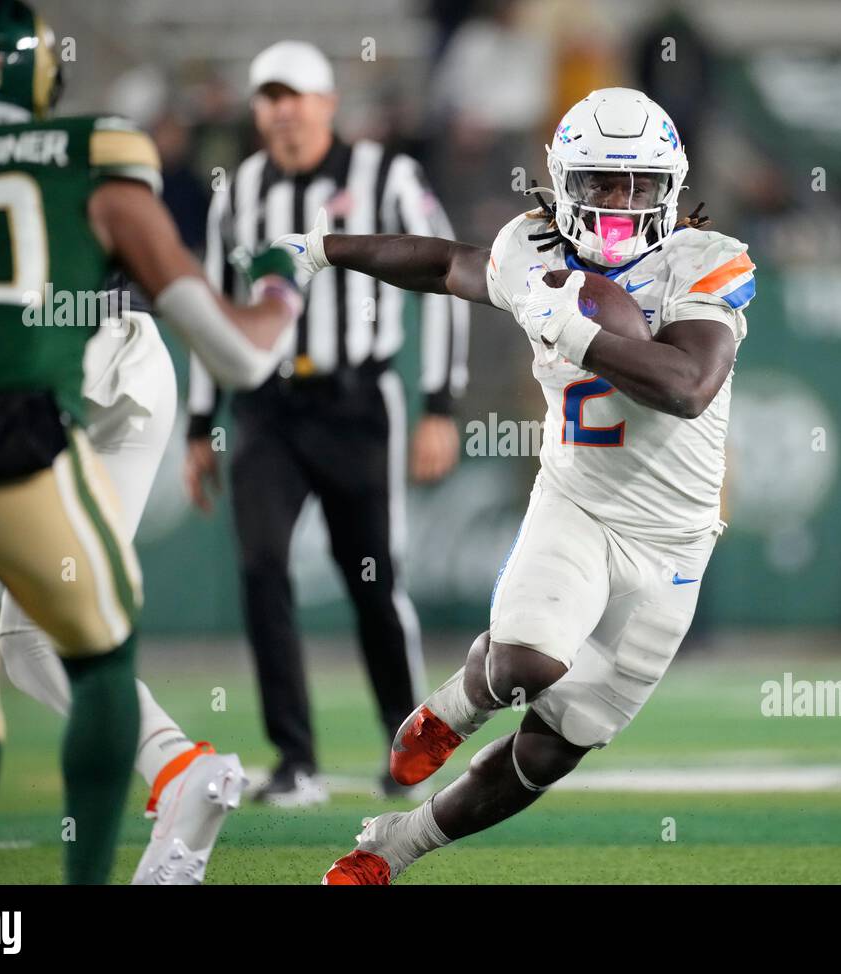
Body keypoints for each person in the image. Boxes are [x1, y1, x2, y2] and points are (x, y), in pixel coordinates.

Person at [276, 87, 754, 883]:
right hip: (576, 505)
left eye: (637, 185)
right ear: (563, 182)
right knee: (529, 661)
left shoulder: (706, 262)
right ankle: (457, 704)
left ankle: (396, 846)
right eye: (601, 182)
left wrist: (573, 327)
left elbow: (687, 386)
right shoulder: (530, 249)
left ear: (670, 189)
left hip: (675, 542)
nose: (619, 203)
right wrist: (325, 248)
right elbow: (444, 263)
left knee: (552, 748)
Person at [0, 0, 299, 884]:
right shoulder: (79, 153)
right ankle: (173, 775)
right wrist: (282, 281)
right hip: (92, 374)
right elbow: (244, 350)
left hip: (23, 396)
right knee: (41, 637)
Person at [185, 41, 469, 805]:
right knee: (261, 569)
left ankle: (408, 746)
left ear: (327, 103)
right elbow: (210, 307)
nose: (282, 111)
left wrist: (441, 403)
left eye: (295, 96)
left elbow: (447, 273)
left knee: (373, 576)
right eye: (268, 97)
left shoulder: (387, 176)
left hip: (356, 406)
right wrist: (198, 424)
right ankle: (295, 759)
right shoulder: (239, 189)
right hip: (268, 409)